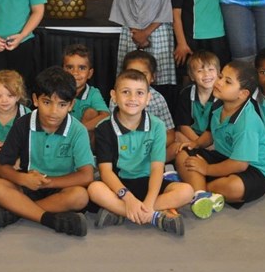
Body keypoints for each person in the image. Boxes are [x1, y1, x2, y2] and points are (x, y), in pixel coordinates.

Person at [0, 67, 94, 237]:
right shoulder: (23, 123)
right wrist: (22, 178)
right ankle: (50, 219)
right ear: (35, 100)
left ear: (71, 105)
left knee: (80, 196)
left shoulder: (78, 130)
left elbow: (86, 175)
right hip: (27, 184)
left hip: (60, 187)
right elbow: (1, 167)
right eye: (47, 102)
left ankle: (16, 212)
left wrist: (49, 182)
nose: (53, 111)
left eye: (62, 104)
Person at [88, 69, 192, 236]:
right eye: (126, 92)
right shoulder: (104, 128)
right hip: (118, 185)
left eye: (139, 93)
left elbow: (158, 168)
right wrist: (128, 198)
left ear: (148, 98)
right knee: (94, 189)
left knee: (186, 191)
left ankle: (125, 213)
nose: (132, 99)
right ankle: (155, 217)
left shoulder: (157, 126)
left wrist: (149, 202)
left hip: (149, 182)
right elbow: (106, 172)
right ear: (114, 96)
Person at [175, 61, 265, 218]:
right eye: (221, 76)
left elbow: (240, 164)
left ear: (242, 94)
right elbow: (210, 133)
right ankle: (201, 195)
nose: (219, 82)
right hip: (224, 157)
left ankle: (194, 186)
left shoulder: (246, 122)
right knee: (182, 152)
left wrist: (206, 169)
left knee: (233, 186)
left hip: (253, 170)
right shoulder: (218, 104)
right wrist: (196, 144)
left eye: (227, 82)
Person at [115, 50, 178, 162]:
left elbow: (170, 133)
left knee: (176, 148)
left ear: (153, 77)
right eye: (131, 73)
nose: (136, 79)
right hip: (124, 147)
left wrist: (152, 147)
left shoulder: (158, 99)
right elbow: (112, 129)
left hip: (151, 148)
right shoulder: (117, 98)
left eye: (143, 74)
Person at [174, 50, 220, 153]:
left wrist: (203, 144)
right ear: (191, 76)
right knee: (176, 135)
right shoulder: (186, 94)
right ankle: (201, 152)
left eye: (211, 69)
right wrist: (198, 143)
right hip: (193, 137)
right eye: (200, 71)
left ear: (218, 73)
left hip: (214, 139)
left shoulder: (223, 96)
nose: (206, 74)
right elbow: (183, 125)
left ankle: (201, 153)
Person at [62, 44, 109, 137]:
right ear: (63, 70)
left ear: (90, 73)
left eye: (82, 68)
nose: (75, 72)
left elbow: (106, 115)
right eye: (70, 67)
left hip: (82, 138)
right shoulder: (57, 91)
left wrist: (79, 130)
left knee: (91, 113)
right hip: (61, 136)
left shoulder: (93, 93)